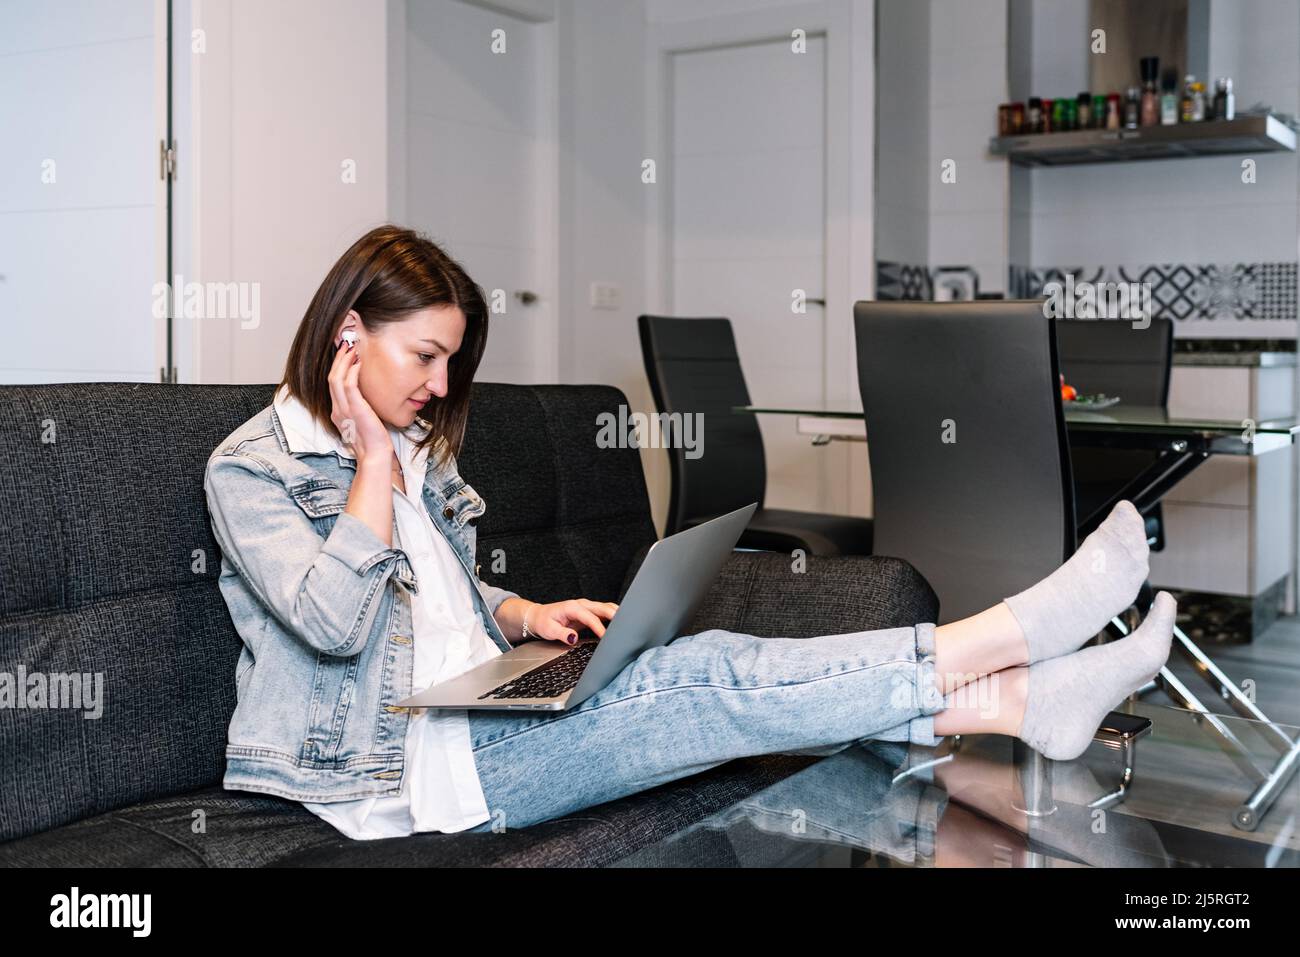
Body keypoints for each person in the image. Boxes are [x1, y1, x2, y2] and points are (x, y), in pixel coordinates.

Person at [203, 224, 1175, 840]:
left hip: (478, 712)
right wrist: (372, 467)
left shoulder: (418, 446)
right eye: (426, 355)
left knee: (715, 667)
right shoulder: (253, 468)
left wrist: (520, 610)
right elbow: (333, 624)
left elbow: (431, 598)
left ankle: (1015, 703)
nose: (441, 387)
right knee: (700, 680)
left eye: (451, 362)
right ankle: (1005, 646)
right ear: (346, 338)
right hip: (392, 773)